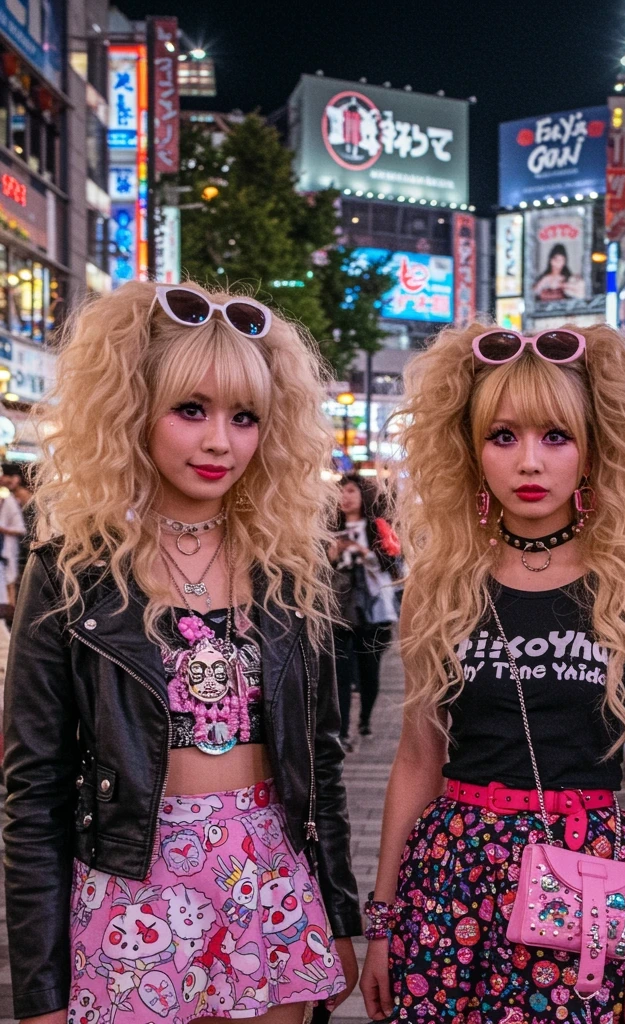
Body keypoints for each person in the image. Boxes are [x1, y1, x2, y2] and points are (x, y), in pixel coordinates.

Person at [3, 281, 361, 1024]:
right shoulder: (74, 568)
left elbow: (320, 761)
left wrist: (341, 911)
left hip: (270, 876)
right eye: (190, 409)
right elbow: (32, 788)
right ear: (134, 410)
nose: (218, 441)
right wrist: (40, 986)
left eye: (245, 418)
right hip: (134, 882)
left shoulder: (290, 569)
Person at [359, 323, 625, 1024]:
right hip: (451, 874)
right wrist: (382, 923)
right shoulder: (439, 585)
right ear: (471, 450)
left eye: (556, 436)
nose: (529, 462)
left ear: (594, 450)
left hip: (588, 872)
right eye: (503, 436)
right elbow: (418, 758)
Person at [328, 473, 401, 739]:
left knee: (370, 671)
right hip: (339, 612)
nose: (345, 497)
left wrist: (362, 552)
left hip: (374, 612)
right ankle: (343, 730)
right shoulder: (330, 529)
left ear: (362, 495)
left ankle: (365, 720)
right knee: (341, 675)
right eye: (341, 492)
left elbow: (393, 564)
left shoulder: (378, 528)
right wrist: (331, 556)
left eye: (350, 491)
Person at [0, 461, 25, 605]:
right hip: (11, 549)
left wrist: (3, 529)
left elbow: (21, 528)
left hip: (17, 549)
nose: (2, 479)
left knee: (11, 582)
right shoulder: (10, 498)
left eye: (5, 475)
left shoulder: (15, 498)